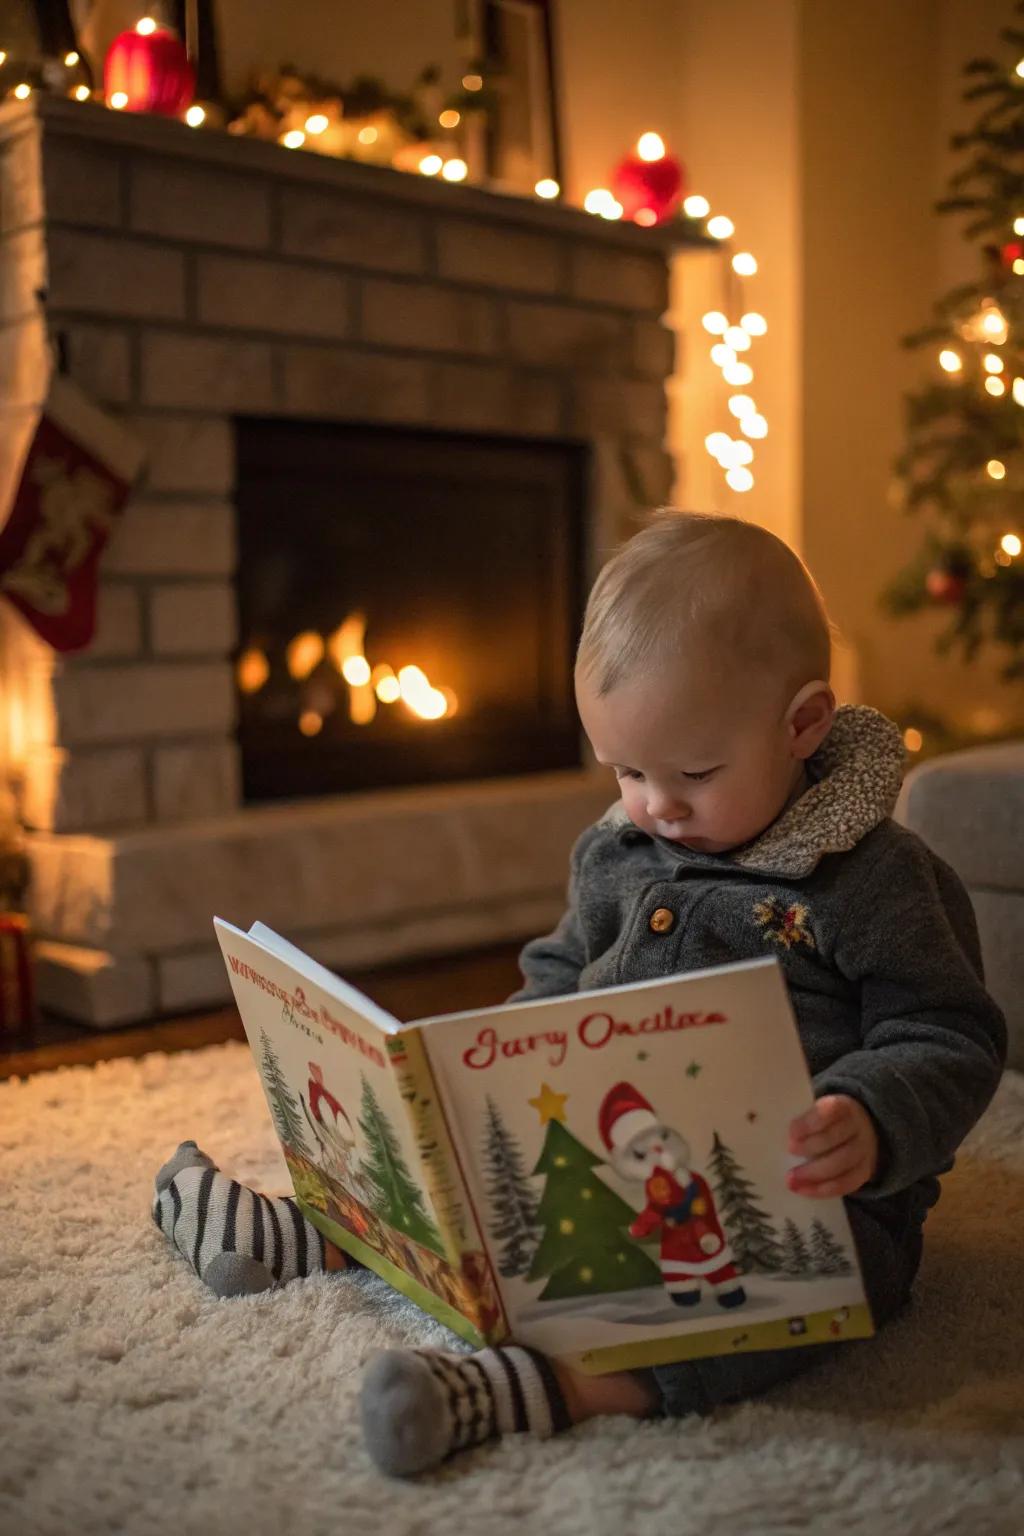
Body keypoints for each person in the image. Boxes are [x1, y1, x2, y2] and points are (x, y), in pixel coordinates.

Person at [151, 511, 1006, 1476]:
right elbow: (560, 968)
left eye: (693, 774)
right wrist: (492, 1060)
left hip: (794, 1201)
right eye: (628, 770)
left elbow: (949, 1031)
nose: (655, 805)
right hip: (600, 1151)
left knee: (737, 1306)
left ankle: (541, 1390)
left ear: (803, 724)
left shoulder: (874, 879)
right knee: (463, 1179)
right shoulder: (619, 848)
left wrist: (874, 1117)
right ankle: (311, 1233)